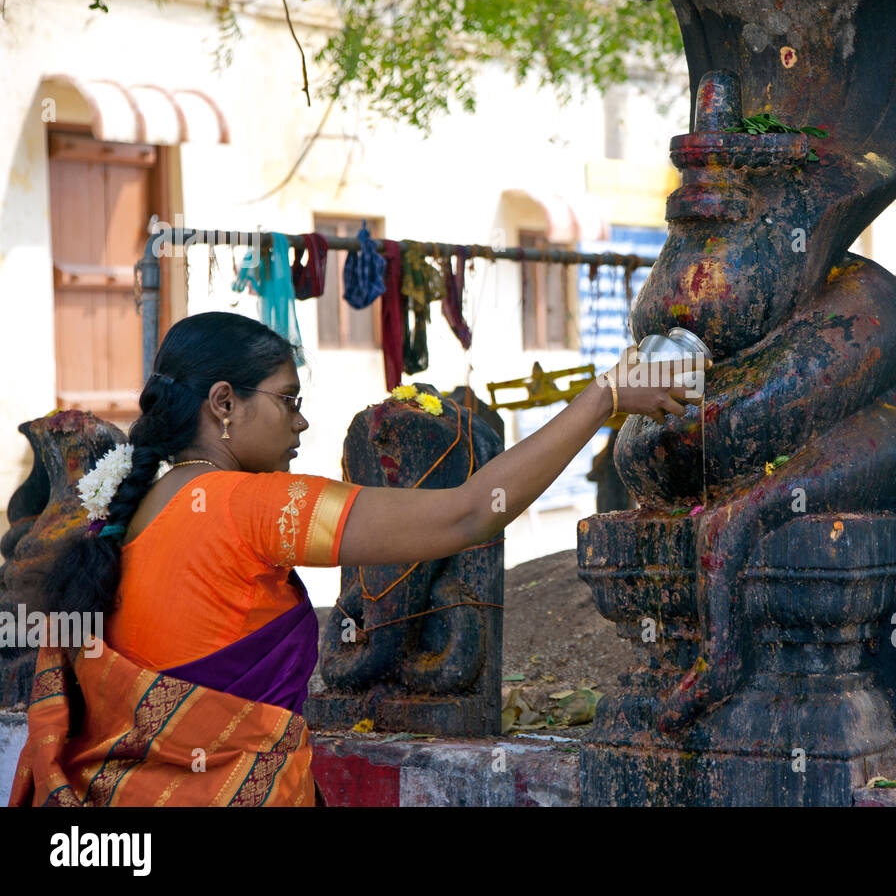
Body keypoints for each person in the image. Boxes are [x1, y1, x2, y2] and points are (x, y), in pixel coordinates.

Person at [8, 311, 703, 807]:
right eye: (287, 402)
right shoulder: (248, 507)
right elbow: (466, 512)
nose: (301, 423)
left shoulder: (127, 512)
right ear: (224, 404)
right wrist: (604, 397)